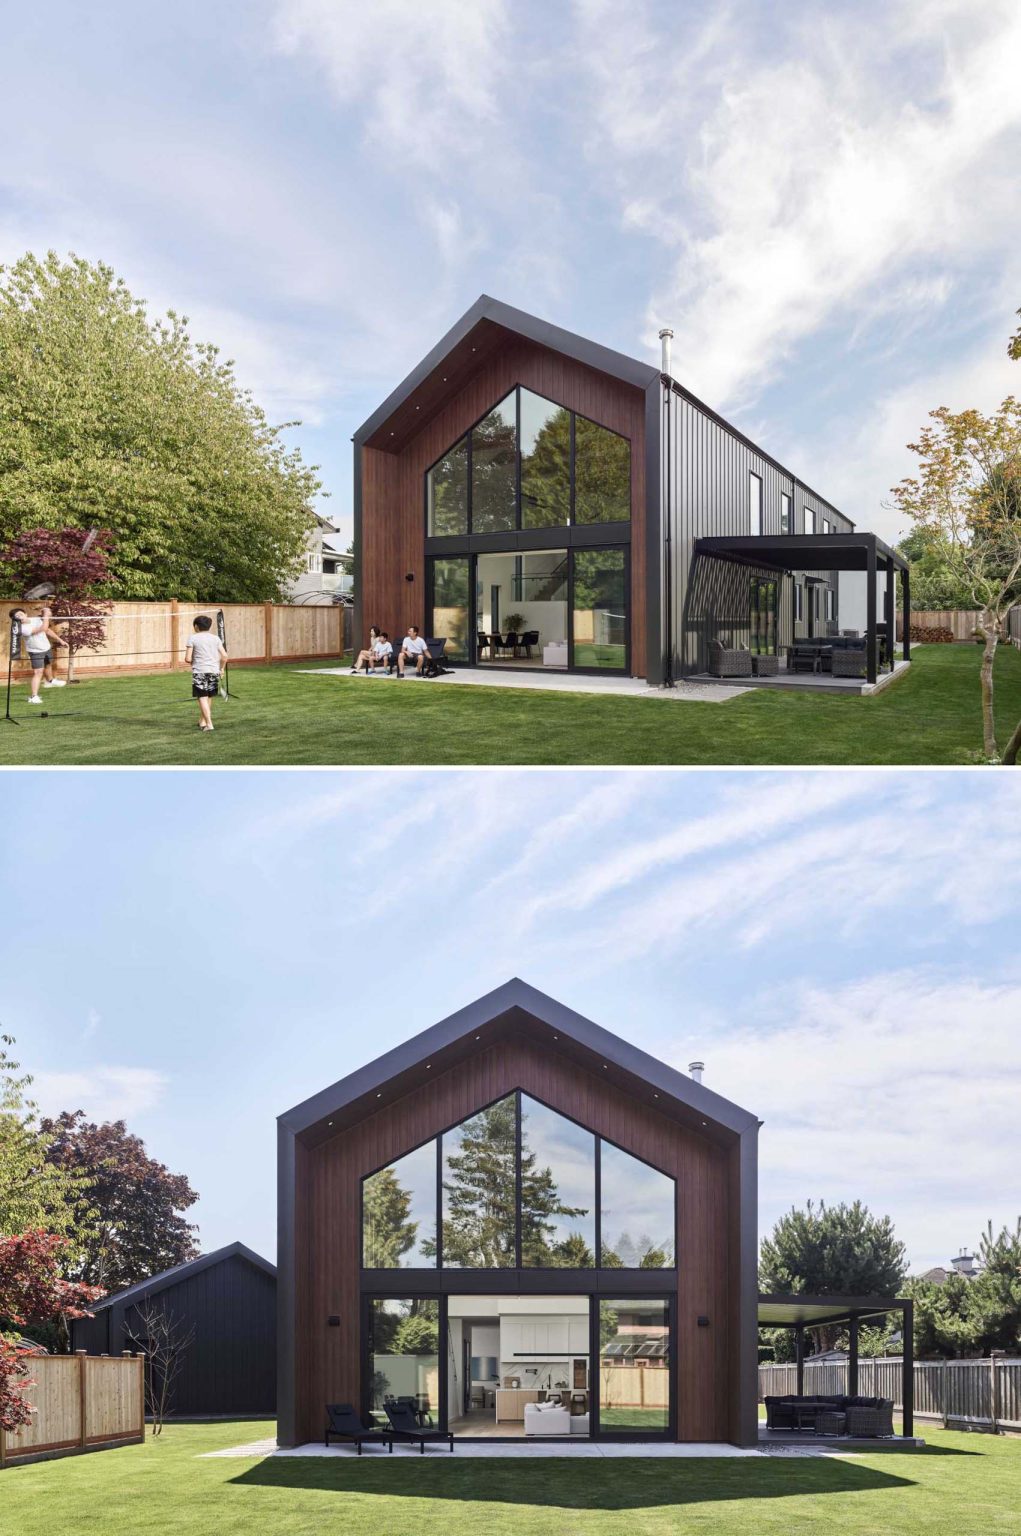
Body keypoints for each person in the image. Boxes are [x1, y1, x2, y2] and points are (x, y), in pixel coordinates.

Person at [11, 606, 69, 704]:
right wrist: (46, 615)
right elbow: (43, 628)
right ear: (15, 620)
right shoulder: (22, 628)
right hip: (35, 651)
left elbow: (47, 630)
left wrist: (60, 640)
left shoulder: (35, 619)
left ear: (26, 614)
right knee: (38, 672)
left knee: (48, 664)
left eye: (20, 614)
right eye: (17, 616)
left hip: (46, 647)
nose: (19, 616)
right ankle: (33, 697)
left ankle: (50, 681)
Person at [184, 614, 227, 731]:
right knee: (208, 696)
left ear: (196, 626)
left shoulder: (192, 638)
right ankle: (202, 721)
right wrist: (221, 669)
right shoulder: (216, 638)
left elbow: (187, 658)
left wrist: (193, 660)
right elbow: (224, 656)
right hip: (214, 671)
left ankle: (209, 724)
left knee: (202, 697)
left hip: (200, 672)